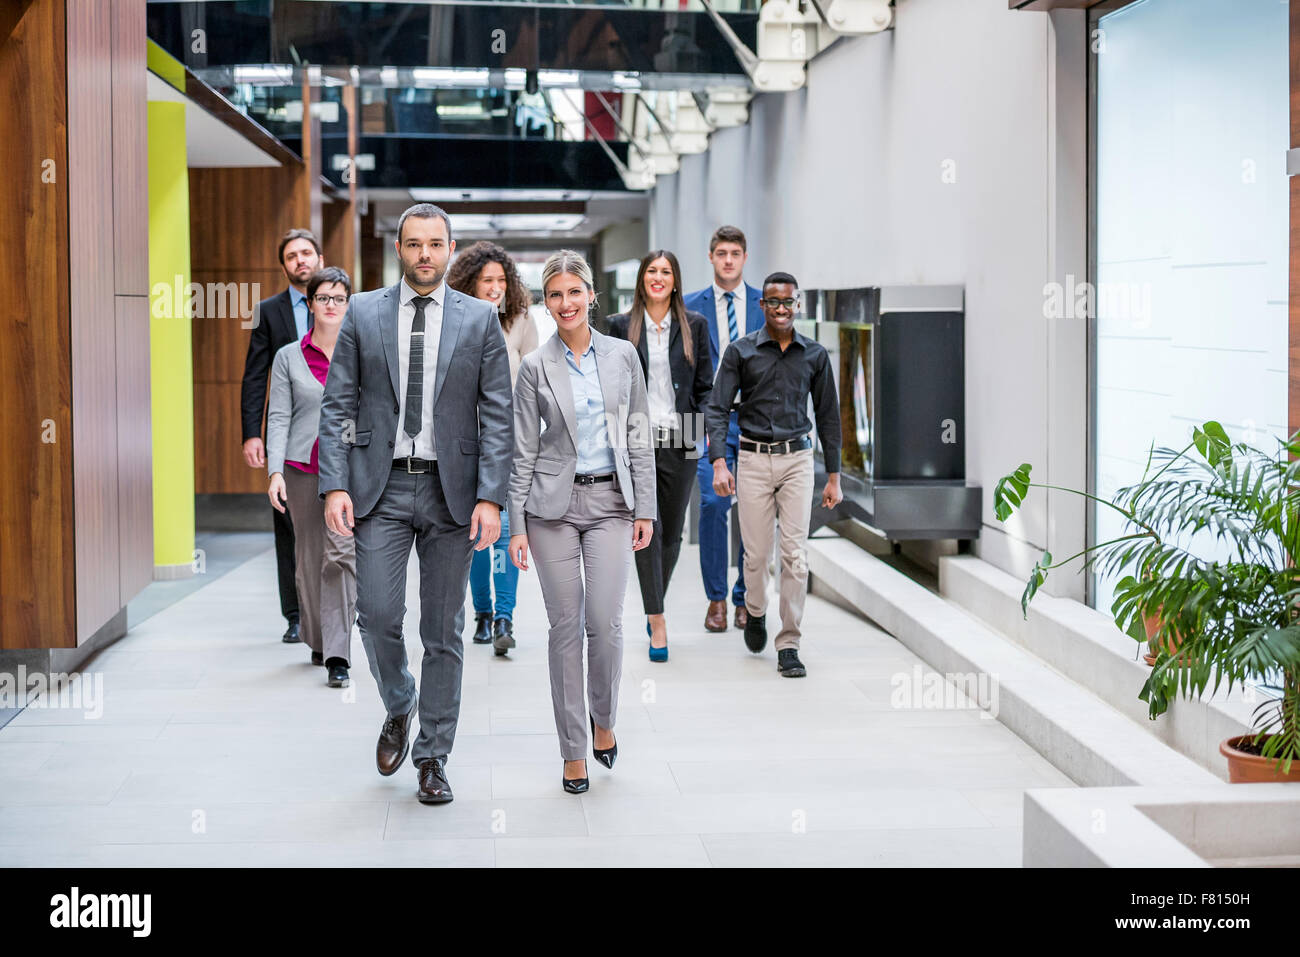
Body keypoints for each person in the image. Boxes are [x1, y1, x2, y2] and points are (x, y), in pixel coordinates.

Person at [318, 203, 513, 805]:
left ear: (449, 248)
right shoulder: (364, 312)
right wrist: (334, 484)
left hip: (452, 493)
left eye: (435, 244)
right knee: (376, 615)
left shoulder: (480, 318)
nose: (425, 254)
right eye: (414, 244)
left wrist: (491, 497)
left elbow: (499, 415)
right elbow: (337, 406)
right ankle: (400, 702)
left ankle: (433, 756)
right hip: (380, 486)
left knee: (444, 630)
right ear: (398, 249)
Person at [507, 250, 655, 794]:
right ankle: (572, 749)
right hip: (551, 509)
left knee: (606, 624)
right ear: (546, 303)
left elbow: (639, 435)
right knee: (565, 628)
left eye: (574, 292)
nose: (565, 303)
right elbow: (521, 451)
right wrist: (516, 524)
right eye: (554, 295)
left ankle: (604, 718)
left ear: (592, 295)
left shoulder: (623, 357)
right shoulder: (533, 367)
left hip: (613, 503)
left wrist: (646, 509)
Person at [706, 271, 843, 678]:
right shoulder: (741, 352)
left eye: (788, 302)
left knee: (795, 556)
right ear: (762, 306)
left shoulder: (815, 355)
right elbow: (716, 408)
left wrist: (833, 475)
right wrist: (718, 461)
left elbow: (829, 416)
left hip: (798, 460)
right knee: (757, 555)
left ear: (797, 305)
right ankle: (756, 610)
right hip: (751, 459)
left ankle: (789, 643)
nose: (781, 309)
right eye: (773, 302)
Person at [607, 250, 711, 662]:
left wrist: (702, 430)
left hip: (682, 434)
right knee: (645, 525)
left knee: (674, 533)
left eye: (666, 271)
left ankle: (654, 606)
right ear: (642, 278)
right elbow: (610, 387)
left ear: (675, 280)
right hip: (636, 436)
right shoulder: (619, 325)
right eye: (652, 270)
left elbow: (705, 385)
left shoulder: (694, 326)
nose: (659, 277)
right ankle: (658, 618)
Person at [445, 242, 539, 658]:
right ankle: (482, 612)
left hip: (511, 442)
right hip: (465, 443)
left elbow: (536, 381)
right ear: (470, 284)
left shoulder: (520, 321)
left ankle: (504, 616)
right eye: (488, 281)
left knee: (504, 529)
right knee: (475, 533)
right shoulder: (453, 322)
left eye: (503, 280)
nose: (497, 288)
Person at [265, 267, 356, 688]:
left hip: (349, 472)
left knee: (341, 555)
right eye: (324, 298)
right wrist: (275, 471)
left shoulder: (361, 352)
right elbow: (279, 416)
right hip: (303, 470)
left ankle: (338, 653)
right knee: (308, 558)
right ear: (311, 303)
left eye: (340, 298)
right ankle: (318, 637)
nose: (332, 305)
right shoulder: (288, 357)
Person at [241, 229, 325, 644]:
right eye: (291, 256)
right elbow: (255, 377)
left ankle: (338, 609)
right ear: (284, 265)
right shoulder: (269, 312)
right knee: (288, 524)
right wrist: (251, 435)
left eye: (306, 253)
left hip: (333, 432)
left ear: (319, 257)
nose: (300, 261)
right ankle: (295, 615)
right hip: (287, 431)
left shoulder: (343, 305)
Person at [683, 226, 764, 634]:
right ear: (711, 257)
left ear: (744, 258)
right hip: (707, 419)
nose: (728, 260)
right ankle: (715, 598)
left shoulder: (764, 305)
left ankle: (744, 597)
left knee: (753, 510)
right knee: (713, 506)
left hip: (754, 421)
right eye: (721, 253)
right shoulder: (688, 306)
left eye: (735, 253)